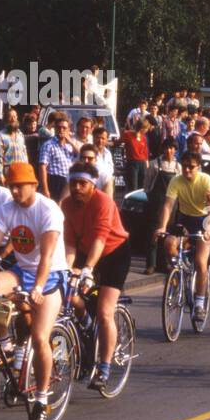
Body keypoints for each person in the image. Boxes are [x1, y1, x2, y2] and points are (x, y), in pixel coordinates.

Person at [0, 163, 65, 420]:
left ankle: (41, 401)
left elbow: (47, 255)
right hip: (21, 270)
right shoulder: (8, 208)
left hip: (51, 274)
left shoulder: (48, 209)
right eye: (11, 186)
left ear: (33, 184)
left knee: (41, 337)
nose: (15, 191)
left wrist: (39, 287)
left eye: (20, 186)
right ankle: (6, 342)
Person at [60, 162, 131, 391]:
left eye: (82, 183)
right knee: (69, 295)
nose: (77, 188)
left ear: (93, 185)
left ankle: (104, 368)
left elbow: (101, 239)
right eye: (73, 183)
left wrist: (88, 268)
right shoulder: (67, 205)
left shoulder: (104, 202)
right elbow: (69, 242)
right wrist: (67, 268)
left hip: (114, 253)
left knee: (104, 310)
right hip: (84, 250)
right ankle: (88, 326)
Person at [154, 151, 210, 321]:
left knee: (200, 261)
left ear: (199, 167)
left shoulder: (206, 181)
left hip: (205, 220)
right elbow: (168, 206)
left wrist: (208, 229)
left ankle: (199, 304)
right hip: (186, 220)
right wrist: (162, 226)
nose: (187, 170)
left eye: (191, 167)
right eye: (185, 166)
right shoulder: (176, 181)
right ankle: (178, 277)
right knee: (169, 243)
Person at [142, 142, 181, 274]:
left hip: (172, 204)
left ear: (175, 150)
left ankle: (163, 263)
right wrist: (151, 197)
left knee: (167, 233)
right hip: (156, 202)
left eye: (172, 148)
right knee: (153, 233)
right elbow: (147, 184)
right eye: (167, 148)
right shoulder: (154, 164)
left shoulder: (178, 167)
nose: (169, 151)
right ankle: (150, 264)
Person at [39, 112, 78, 204]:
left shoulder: (70, 146)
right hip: (54, 181)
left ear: (68, 130)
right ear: (55, 129)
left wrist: (70, 141)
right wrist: (45, 189)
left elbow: (81, 155)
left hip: (68, 181)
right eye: (58, 128)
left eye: (64, 128)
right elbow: (42, 167)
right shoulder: (48, 145)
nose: (61, 130)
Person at [0, 108, 29, 177]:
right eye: (10, 117)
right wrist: (0, 174)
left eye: (15, 116)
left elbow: (24, 152)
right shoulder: (0, 136)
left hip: (22, 169)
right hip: (9, 170)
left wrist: (27, 167)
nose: (13, 119)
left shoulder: (20, 134)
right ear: (6, 119)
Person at [122, 118, 150, 193]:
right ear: (141, 128)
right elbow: (119, 142)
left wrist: (147, 161)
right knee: (133, 186)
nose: (147, 130)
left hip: (142, 163)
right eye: (146, 128)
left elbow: (145, 150)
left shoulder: (143, 137)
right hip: (132, 163)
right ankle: (132, 203)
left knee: (142, 186)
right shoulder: (128, 134)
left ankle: (140, 203)